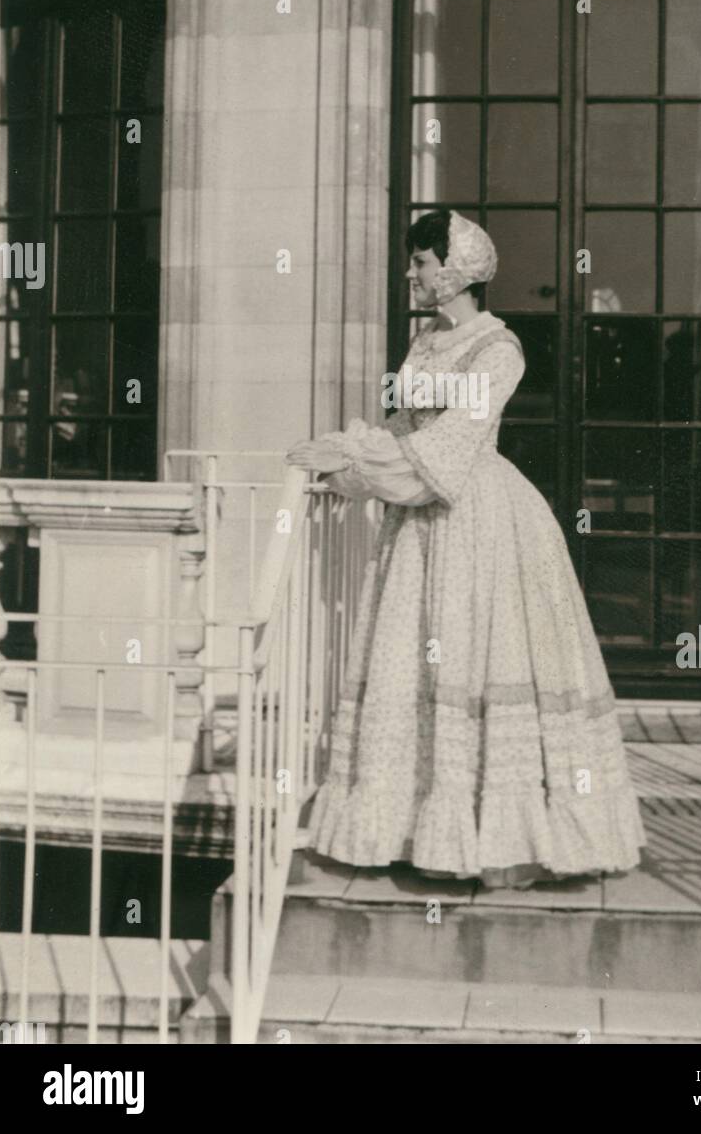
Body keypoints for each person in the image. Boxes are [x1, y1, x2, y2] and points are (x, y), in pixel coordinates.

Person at [286, 208, 647, 889]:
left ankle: (495, 834)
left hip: (476, 511)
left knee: (480, 653)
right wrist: (343, 453)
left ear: (452, 271)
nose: (411, 274)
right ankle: (409, 826)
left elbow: (447, 447)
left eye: (420, 262)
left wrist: (360, 475)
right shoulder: (424, 343)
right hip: (420, 520)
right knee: (415, 657)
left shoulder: (498, 350)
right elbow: (401, 424)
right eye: (414, 262)